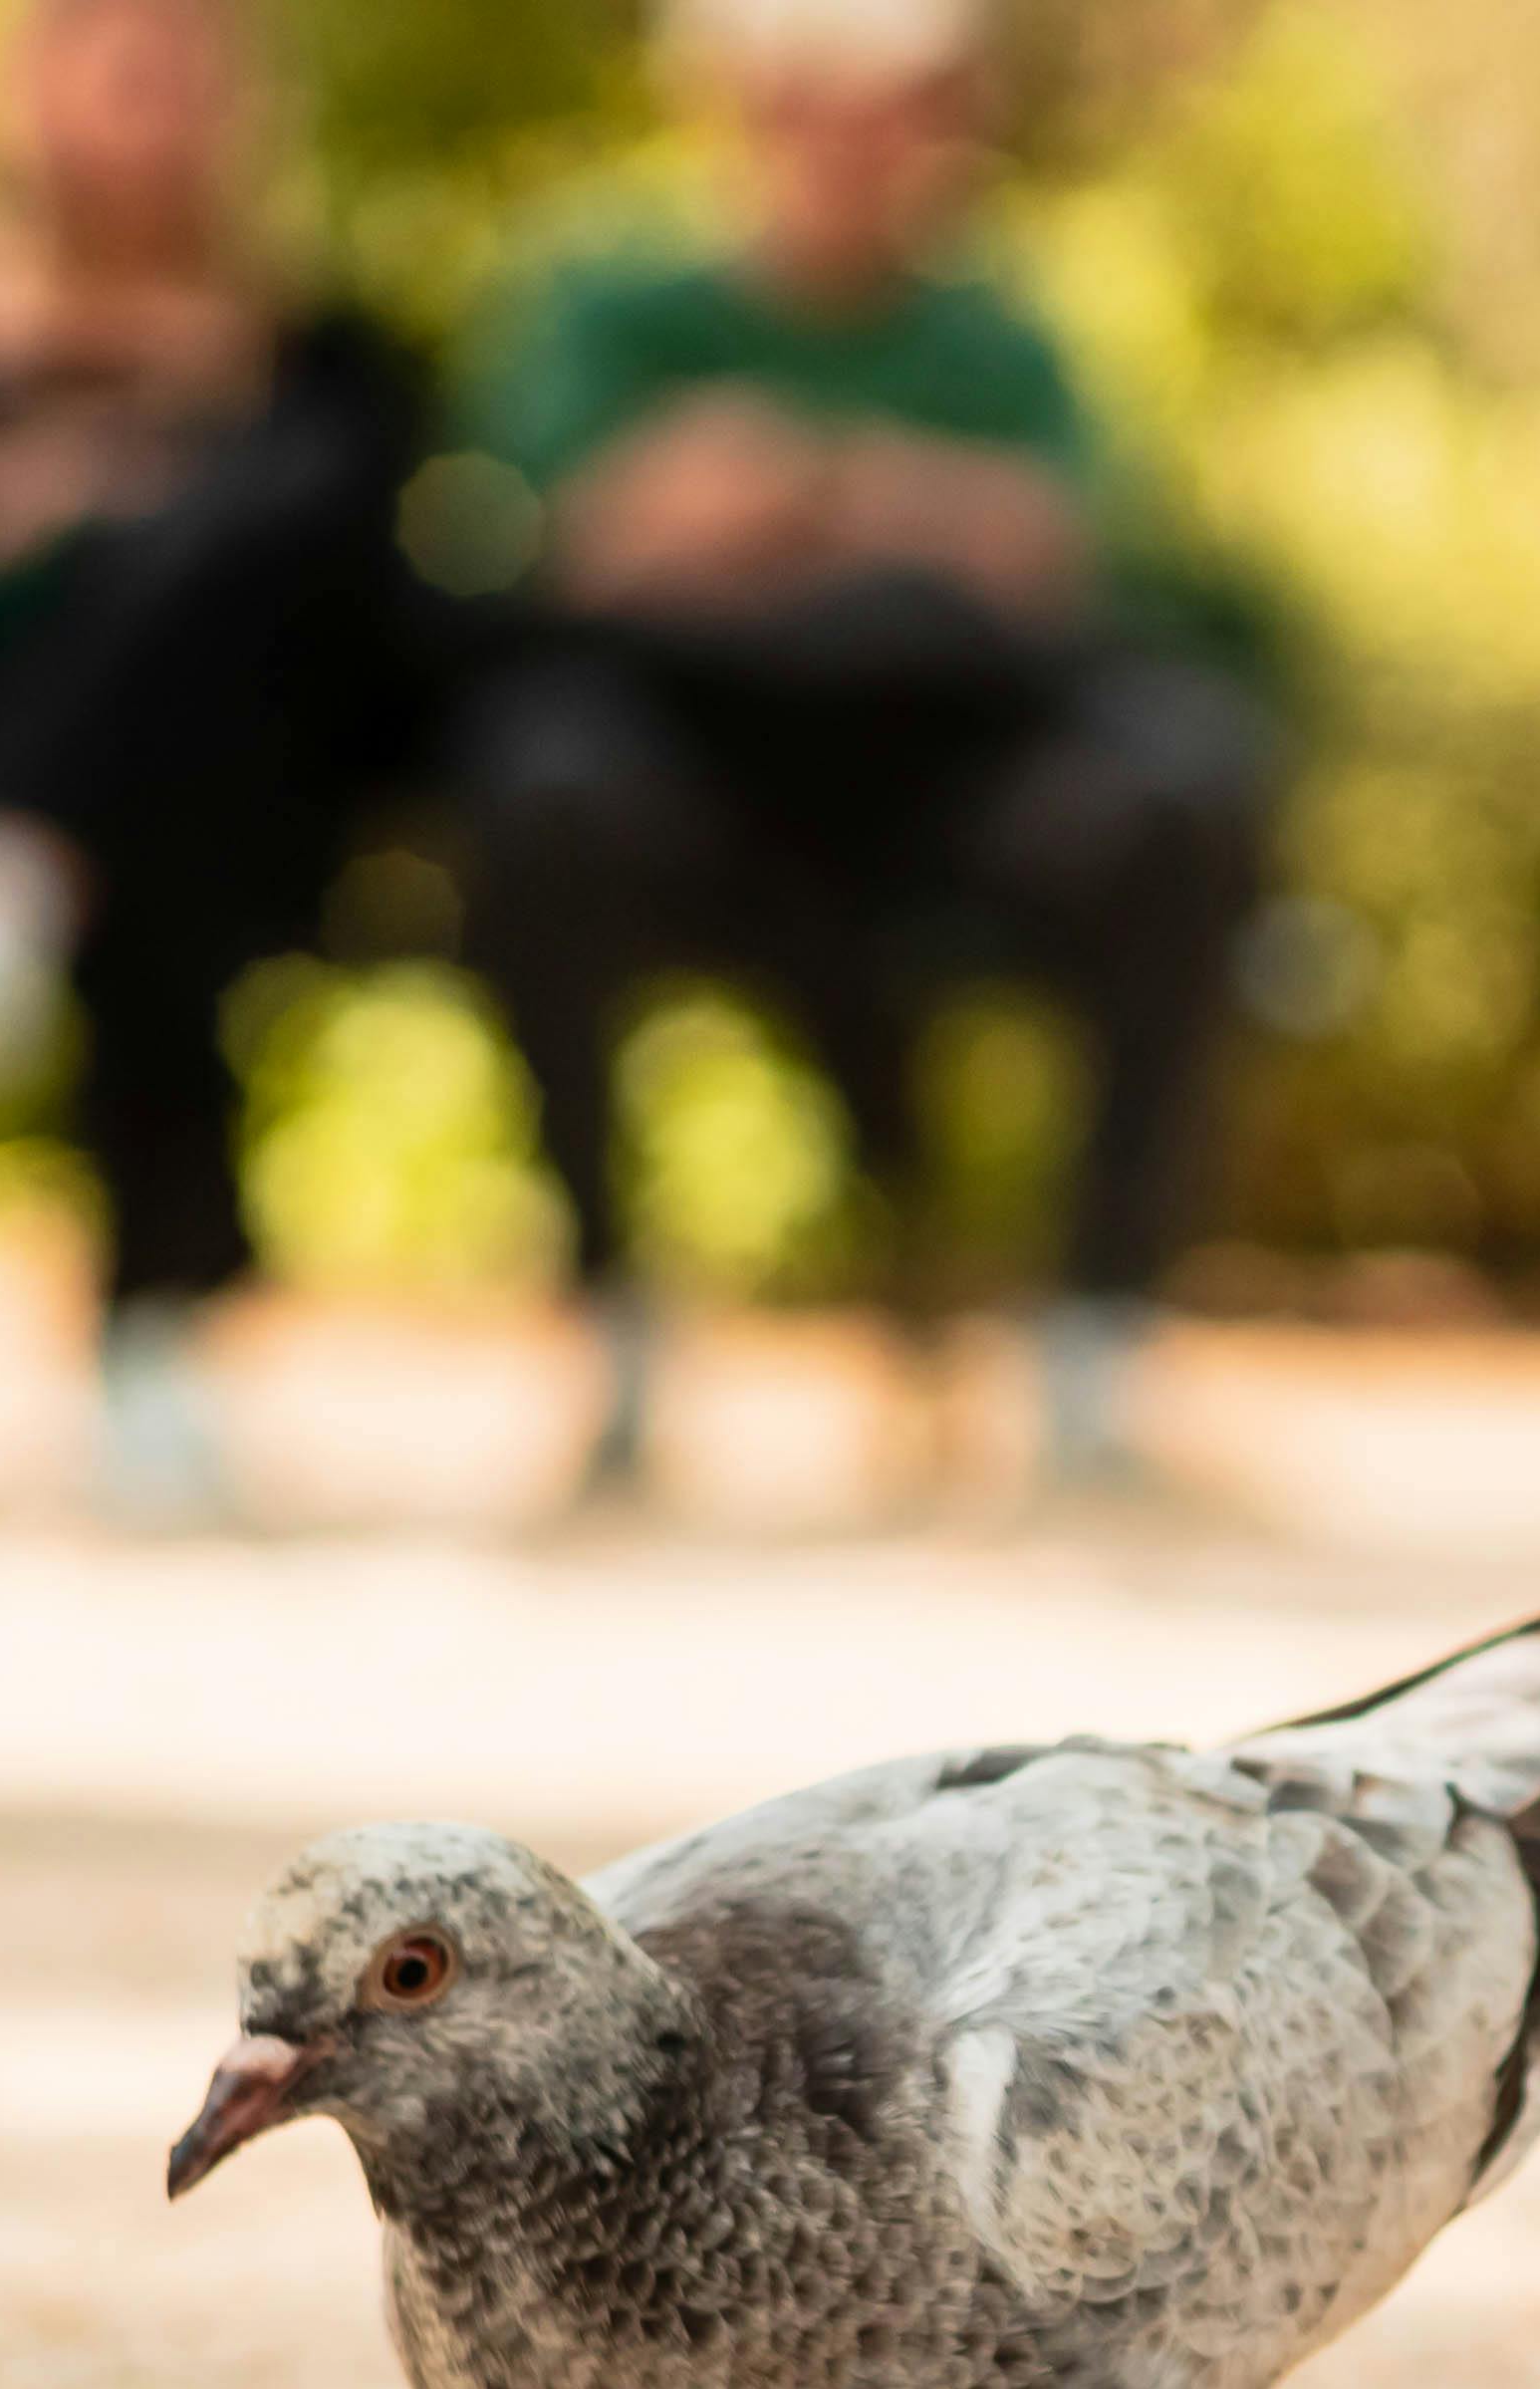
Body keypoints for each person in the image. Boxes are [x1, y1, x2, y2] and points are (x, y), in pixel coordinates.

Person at [452, 0, 1267, 1510]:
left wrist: (788, 487)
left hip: (957, 779)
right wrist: (909, 507)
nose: (854, 140)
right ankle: (616, 1333)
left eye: (896, 103)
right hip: (694, 768)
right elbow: (586, 538)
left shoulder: (1004, 333)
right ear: (740, 107)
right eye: (810, 98)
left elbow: (1056, 553)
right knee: (534, 787)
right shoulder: (611, 301)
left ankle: (1098, 1350)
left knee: (1179, 789)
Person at [0, 0, 438, 1529]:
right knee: (130, 802)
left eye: (181, 62)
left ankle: (33, 863)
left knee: (180, 695)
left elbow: (360, 585)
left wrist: (128, 484)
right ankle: (158, 1327)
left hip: (255, 798)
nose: (145, 100)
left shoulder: (324, 358)